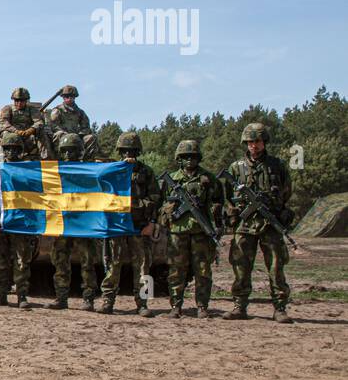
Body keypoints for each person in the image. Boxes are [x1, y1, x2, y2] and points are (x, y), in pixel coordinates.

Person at [220, 122, 294, 323]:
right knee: (240, 266)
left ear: (264, 142)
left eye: (258, 141)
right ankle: (239, 306)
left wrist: (275, 207)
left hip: (269, 223)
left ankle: (280, 308)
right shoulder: (236, 168)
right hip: (245, 224)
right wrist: (234, 212)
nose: (254, 145)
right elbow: (227, 196)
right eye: (250, 141)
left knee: (276, 266)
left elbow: (287, 191)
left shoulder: (277, 165)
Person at [99, 131, 161, 316]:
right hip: (117, 225)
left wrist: (151, 222)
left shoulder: (146, 172)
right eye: (125, 151)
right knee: (112, 265)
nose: (129, 155)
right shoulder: (112, 170)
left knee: (144, 266)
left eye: (132, 151)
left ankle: (144, 303)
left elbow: (156, 198)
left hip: (139, 225)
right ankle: (107, 301)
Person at [159, 139, 222, 319]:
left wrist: (216, 221)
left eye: (193, 157)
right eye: (185, 157)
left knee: (203, 270)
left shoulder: (208, 179)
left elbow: (218, 202)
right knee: (176, 270)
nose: (189, 161)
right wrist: (169, 210)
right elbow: (160, 204)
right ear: (179, 159)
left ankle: (202, 306)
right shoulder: (172, 179)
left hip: (201, 231)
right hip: (177, 231)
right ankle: (176, 306)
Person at [0, 133, 38, 308]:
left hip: (20, 223)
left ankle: (22, 296)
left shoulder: (27, 173)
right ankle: (1, 295)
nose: (12, 152)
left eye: (15, 149)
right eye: (8, 149)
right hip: (0, 224)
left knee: (21, 261)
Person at [49, 134, 101, 311]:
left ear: (80, 152)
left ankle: (88, 299)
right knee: (60, 262)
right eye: (66, 151)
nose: (69, 154)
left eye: (73, 150)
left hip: (84, 222)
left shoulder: (89, 171)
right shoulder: (55, 171)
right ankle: (61, 297)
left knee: (87, 263)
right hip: (63, 222)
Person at [0, 87, 50, 159]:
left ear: (26, 100)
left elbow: (39, 122)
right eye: (17, 100)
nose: (19, 103)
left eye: (22, 100)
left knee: (42, 132)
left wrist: (31, 130)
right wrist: (16, 131)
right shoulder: (7, 109)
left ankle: (45, 157)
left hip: (28, 135)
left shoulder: (32, 109)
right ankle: (10, 157)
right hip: (12, 135)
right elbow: (3, 123)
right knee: (7, 134)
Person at [48, 85, 98, 158]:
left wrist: (79, 135)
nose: (69, 98)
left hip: (77, 137)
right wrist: (66, 134)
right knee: (59, 134)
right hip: (62, 137)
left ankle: (87, 160)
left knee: (91, 137)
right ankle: (61, 157)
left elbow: (86, 127)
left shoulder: (80, 112)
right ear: (63, 98)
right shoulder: (57, 110)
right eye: (67, 97)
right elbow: (54, 126)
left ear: (74, 97)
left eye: (72, 96)